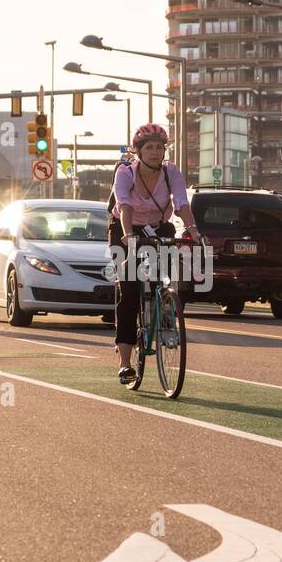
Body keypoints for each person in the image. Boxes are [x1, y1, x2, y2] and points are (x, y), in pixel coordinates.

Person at [109, 123, 201, 386]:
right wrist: (128, 236)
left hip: (159, 225)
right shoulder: (125, 173)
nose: (155, 152)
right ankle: (125, 362)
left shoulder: (171, 172)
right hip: (125, 227)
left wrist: (194, 231)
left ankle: (167, 317)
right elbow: (124, 206)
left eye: (159, 147)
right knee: (128, 288)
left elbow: (182, 204)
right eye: (149, 147)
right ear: (138, 151)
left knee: (173, 275)